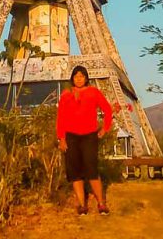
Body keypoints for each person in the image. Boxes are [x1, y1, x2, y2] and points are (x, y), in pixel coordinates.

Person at [56, 65, 113, 215]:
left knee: (91, 169)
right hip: (71, 136)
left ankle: (101, 203)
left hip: (89, 136)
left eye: (81, 76)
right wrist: (61, 138)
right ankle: (82, 205)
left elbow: (107, 109)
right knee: (75, 172)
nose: (79, 79)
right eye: (76, 76)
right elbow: (61, 118)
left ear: (86, 78)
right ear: (72, 78)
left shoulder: (94, 92)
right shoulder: (66, 95)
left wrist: (104, 129)